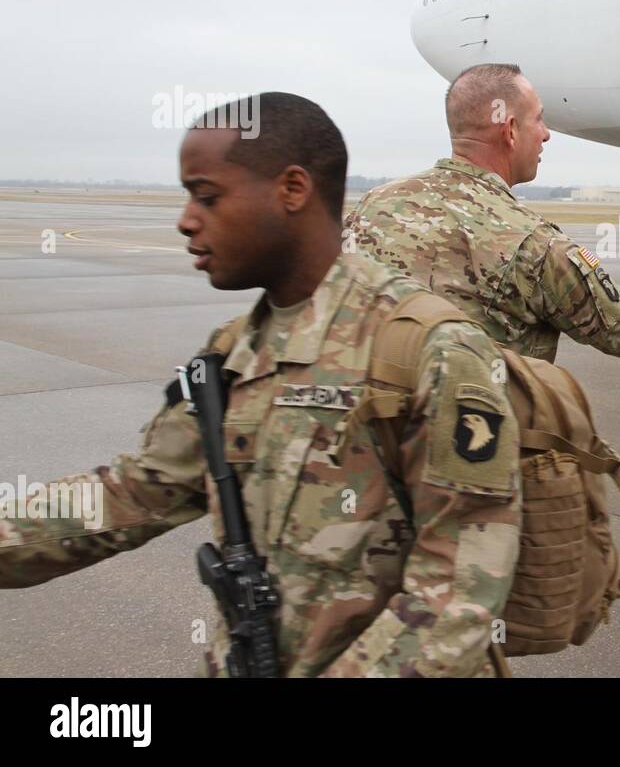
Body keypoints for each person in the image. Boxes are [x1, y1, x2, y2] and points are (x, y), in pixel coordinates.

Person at [0, 93, 521, 678]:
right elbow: (134, 492)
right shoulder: (232, 355)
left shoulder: (430, 349)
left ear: (292, 190)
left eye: (208, 195)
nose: (186, 219)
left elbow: (458, 590)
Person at [345, 63, 620, 364]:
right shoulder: (533, 244)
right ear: (510, 131)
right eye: (539, 119)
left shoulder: (371, 207)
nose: (546, 134)